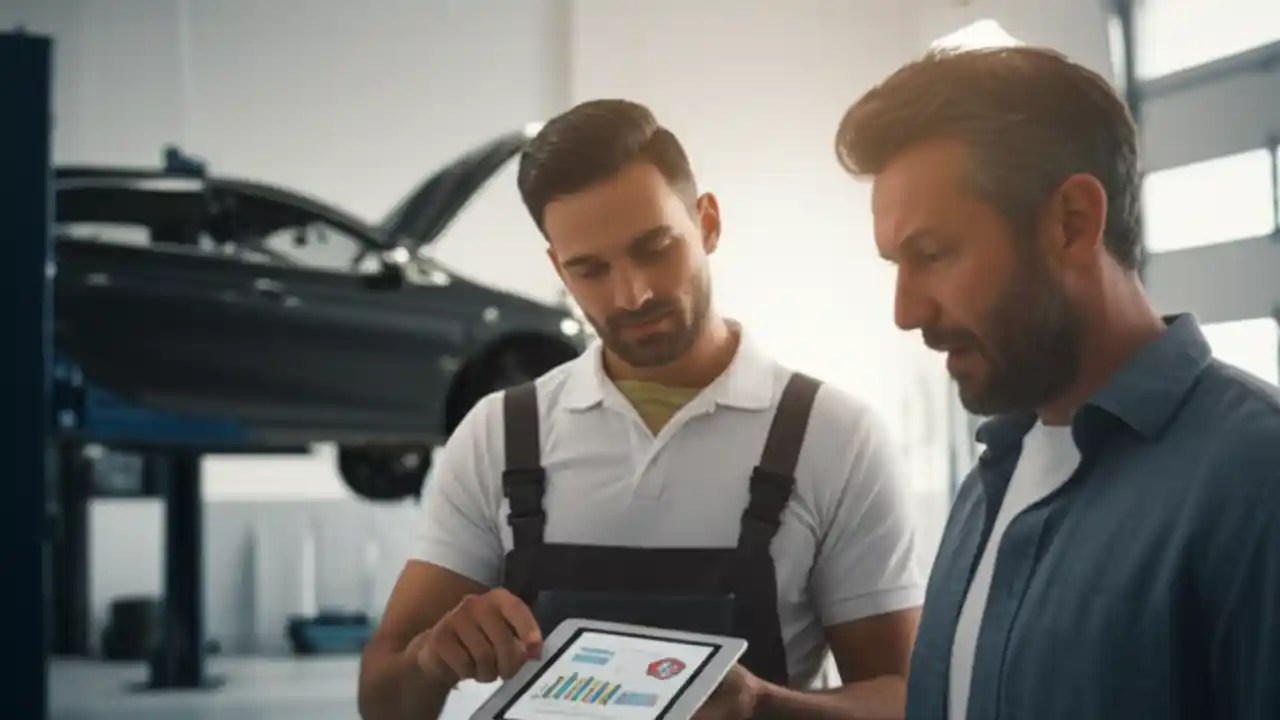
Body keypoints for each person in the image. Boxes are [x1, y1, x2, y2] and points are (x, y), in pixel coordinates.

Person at [358, 99, 925, 720]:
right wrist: (430, 659)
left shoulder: (833, 438)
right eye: (590, 269)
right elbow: (383, 700)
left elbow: (907, 699)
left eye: (655, 247)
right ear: (557, 269)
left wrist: (765, 706)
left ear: (707, 222)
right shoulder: (499, 435)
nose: (633, 293)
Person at [834, 46, 1280, 720]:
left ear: (1072, 223)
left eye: (932, 255)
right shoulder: (988, 485)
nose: (906, 312)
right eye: (897, 264)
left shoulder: (1256, 482)